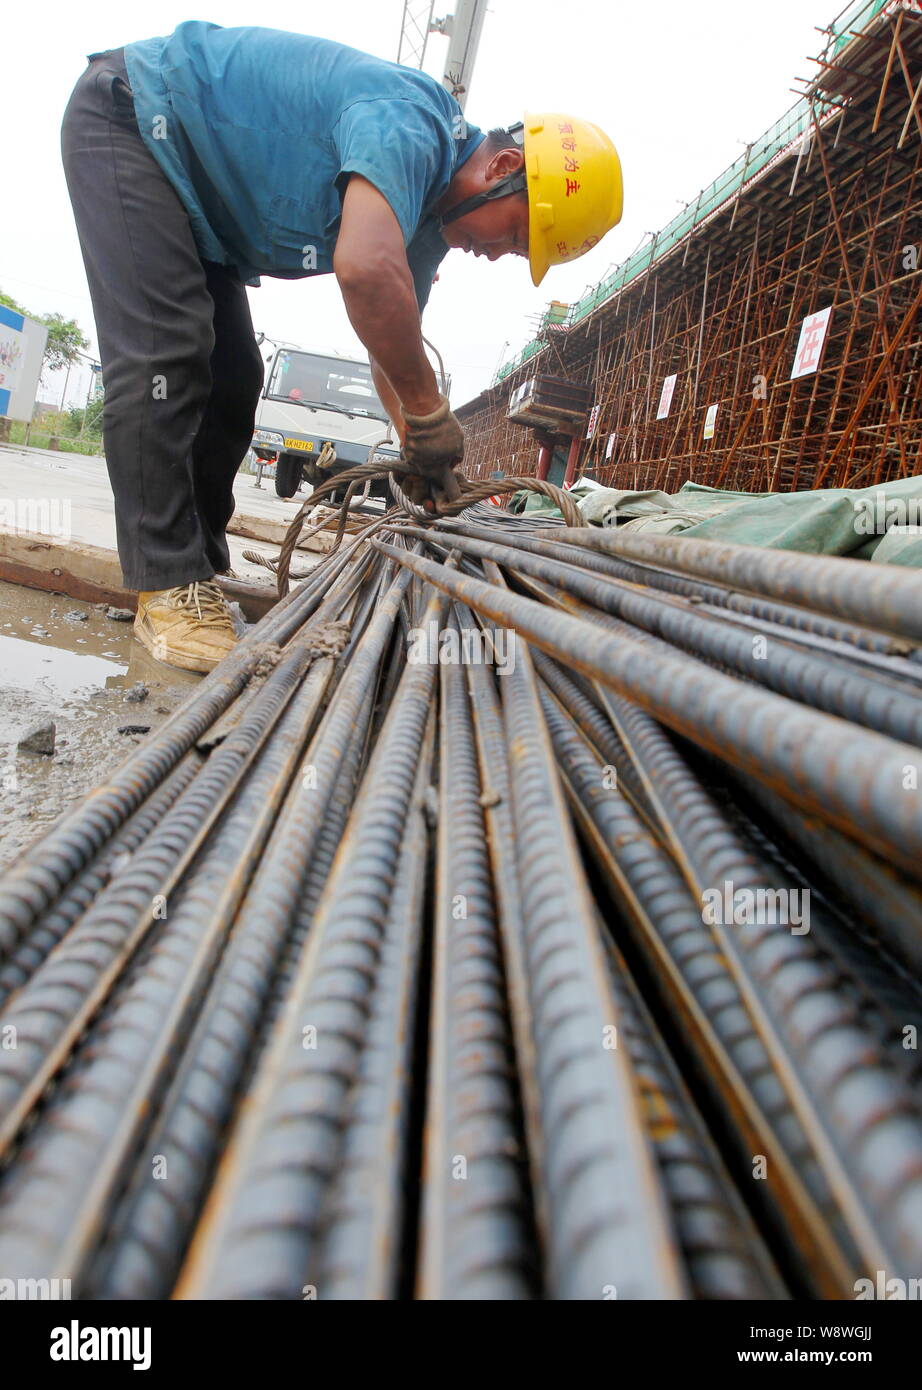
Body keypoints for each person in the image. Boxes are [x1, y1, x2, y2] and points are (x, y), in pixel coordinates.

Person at [61, 21, 623, 672]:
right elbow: (363, 271)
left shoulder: (424, 225)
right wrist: (430, 412)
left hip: (191, 197)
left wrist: (420, 447)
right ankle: (165, 587)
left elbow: (392, 341)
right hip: (132, 119)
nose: (498, 254)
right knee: (167, 355)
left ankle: (193, 573)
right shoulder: (411, 123)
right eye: (515, 234)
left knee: (235, 376)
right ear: (503, 169)